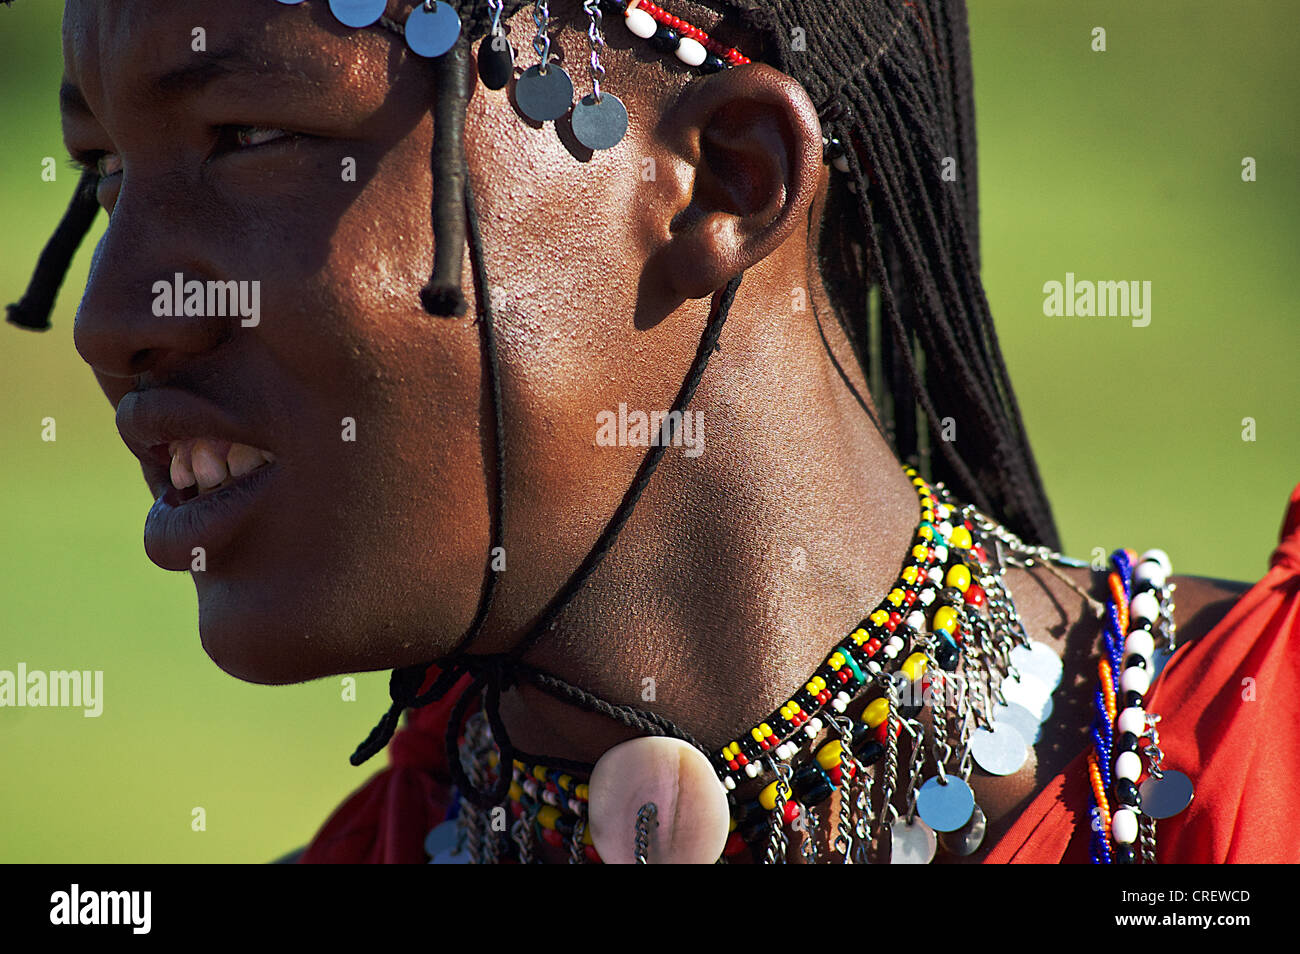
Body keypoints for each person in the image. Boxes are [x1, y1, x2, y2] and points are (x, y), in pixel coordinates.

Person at [12, 0, 1295, 863]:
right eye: (108, 174)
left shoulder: (1254, 772)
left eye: (251, 138)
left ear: (722, 180)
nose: (116, 316)